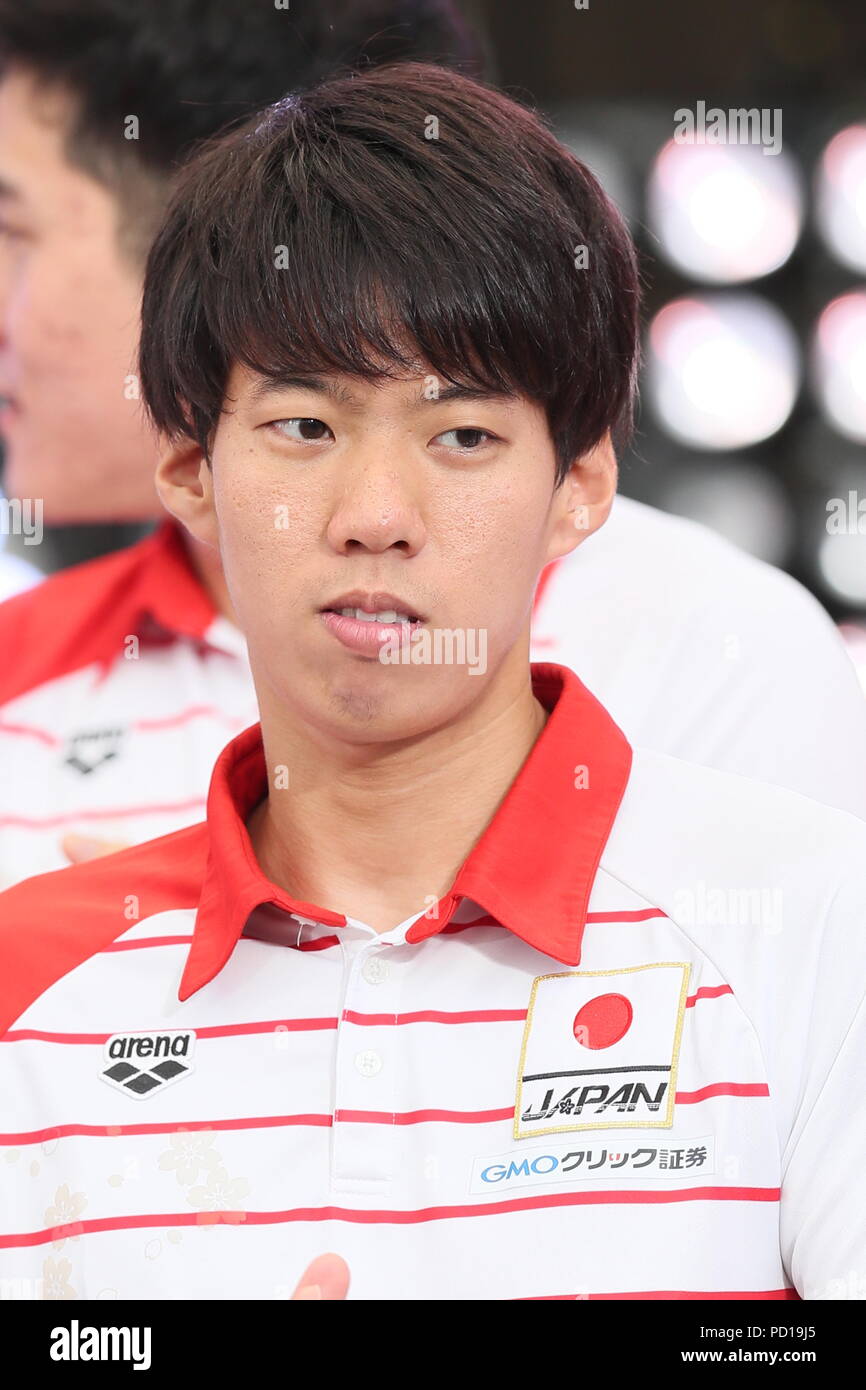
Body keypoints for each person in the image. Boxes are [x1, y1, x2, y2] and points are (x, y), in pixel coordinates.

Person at [1, 62, 864, 1301]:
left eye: (462, 436)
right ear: (191, 468)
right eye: (304, 426)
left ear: (577, 488)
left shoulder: (812, 922)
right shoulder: (27, 979)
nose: (374, 517)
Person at [0, 3, 865, 895]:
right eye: (305, 424)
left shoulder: (719, 653)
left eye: (15, 234)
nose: (376, 517)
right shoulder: (20, 678)